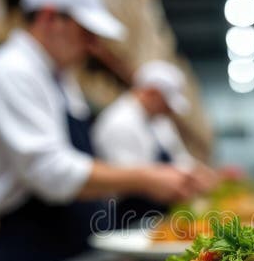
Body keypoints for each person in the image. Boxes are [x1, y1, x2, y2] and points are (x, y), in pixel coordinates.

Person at [0, 0, 198, 261]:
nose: (92, 46)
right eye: (86, 33)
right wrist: (145, 177)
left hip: (69, 241)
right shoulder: (10, 73)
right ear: (50, 18)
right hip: (33, 249)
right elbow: (50, 172)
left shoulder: (59, 80)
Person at [92, 60, 218, 221]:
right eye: (166, 104)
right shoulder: (119, 123)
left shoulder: (159, 122)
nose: (168, 111)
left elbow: (179, 158)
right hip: (127, 217)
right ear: (151, 93)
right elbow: (129, 180)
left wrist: (199, 174)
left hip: (155, 213)